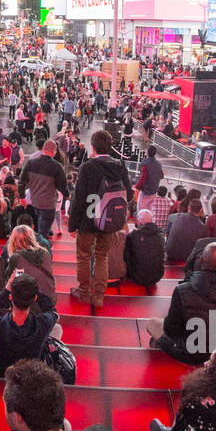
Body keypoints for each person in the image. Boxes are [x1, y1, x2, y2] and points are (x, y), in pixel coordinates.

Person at [146, 242, 216, 366]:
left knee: (152, 323)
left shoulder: (183, 290)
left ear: (201, 260)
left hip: (190, 354)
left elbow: (171, 329)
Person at [68, 129, 133, 310]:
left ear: (93, 146)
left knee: (83, 257)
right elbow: (128, 194)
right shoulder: (120, 165)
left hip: (88, 220)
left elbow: (79, 198)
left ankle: (83, 292)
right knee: (102, 257)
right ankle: (98, 296)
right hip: (110, 221)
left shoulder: (87, 167)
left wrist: (73, 225)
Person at [0, 272, 61, 378]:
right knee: (57, 329)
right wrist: (32, 290)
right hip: (31, 374)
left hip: (3, 373)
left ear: (10, 297)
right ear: (35, 298)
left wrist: (5, 290)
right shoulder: (43, 323)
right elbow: (53, 311)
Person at [19, 140, 68, 243]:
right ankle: (41, 253)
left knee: (38, 227)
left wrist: (22, 196)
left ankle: (36, 248)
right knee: (43, 232)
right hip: (48, 204)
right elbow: (62, 186)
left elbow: (22, 181)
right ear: (54, 151)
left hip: (34, 201)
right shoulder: (57, 167)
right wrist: (68, 196)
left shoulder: (31, 162)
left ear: (43, 149)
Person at [4, 223, 56, 302]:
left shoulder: (16, 258)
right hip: (49, 298)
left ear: (13, 240)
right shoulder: (45, 253)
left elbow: (13, 280)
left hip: (29, 303)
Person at [123, 209, 166, 289]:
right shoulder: (161, 234)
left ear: (139, 222)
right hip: (157, 276)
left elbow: (126, 257)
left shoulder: (133, 236)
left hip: (137, 277)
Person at [164, 198, 208, 265]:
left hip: (170, 254)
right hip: (186, 258)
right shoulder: (203, 227)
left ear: (188, 207)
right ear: (201, 210)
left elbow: (170, 218)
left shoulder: (177, 216)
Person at [135, 144, 164, 212]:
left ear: (147, 152)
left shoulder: (145, 163)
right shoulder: (158, 164)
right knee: (149, 212)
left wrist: (137, 187)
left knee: (140, 212)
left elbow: (143, 177)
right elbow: (161, 175)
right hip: (154, 191)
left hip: (145, 191)